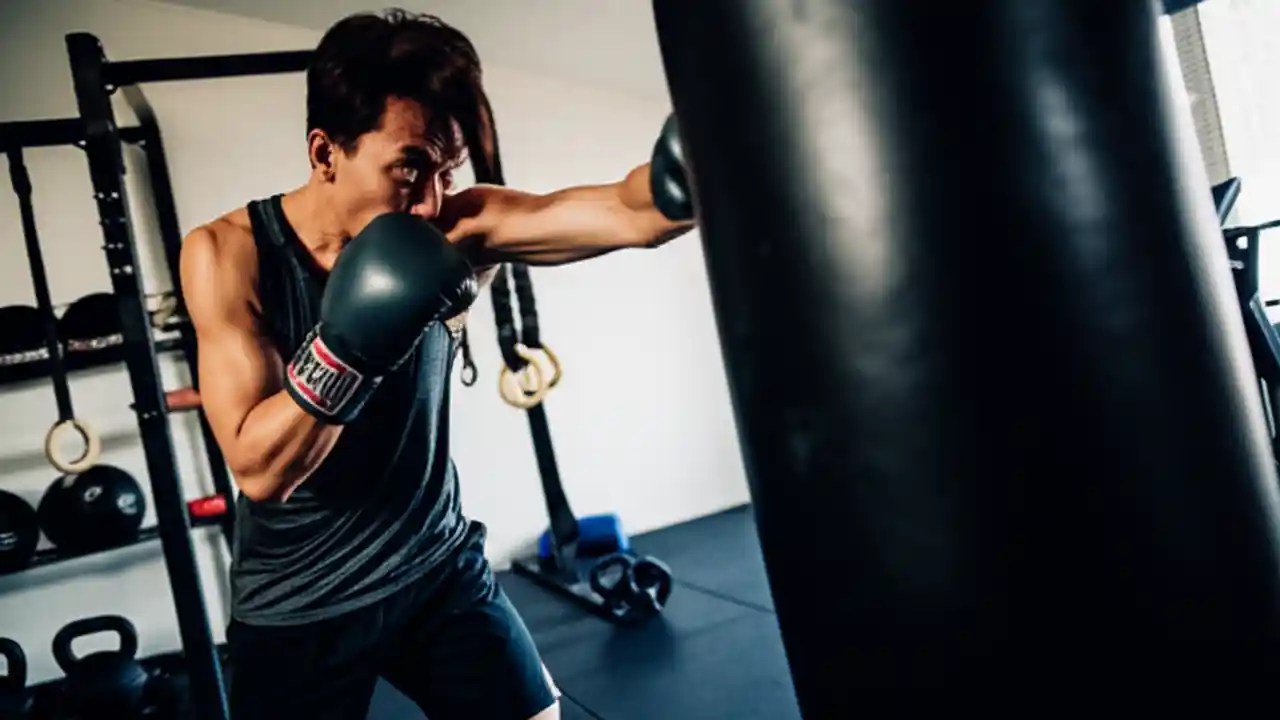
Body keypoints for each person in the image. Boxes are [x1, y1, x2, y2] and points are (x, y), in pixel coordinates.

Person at [178, 9, 695, 720]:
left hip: (435, 567)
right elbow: (262, 470)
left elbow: (630, 214)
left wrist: (695, 164)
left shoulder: (455, 227)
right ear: (325, 152)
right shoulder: (228, 255)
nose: (428, 200)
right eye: (408, 167)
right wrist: (350, 343)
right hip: (300, 603)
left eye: (446, 170)